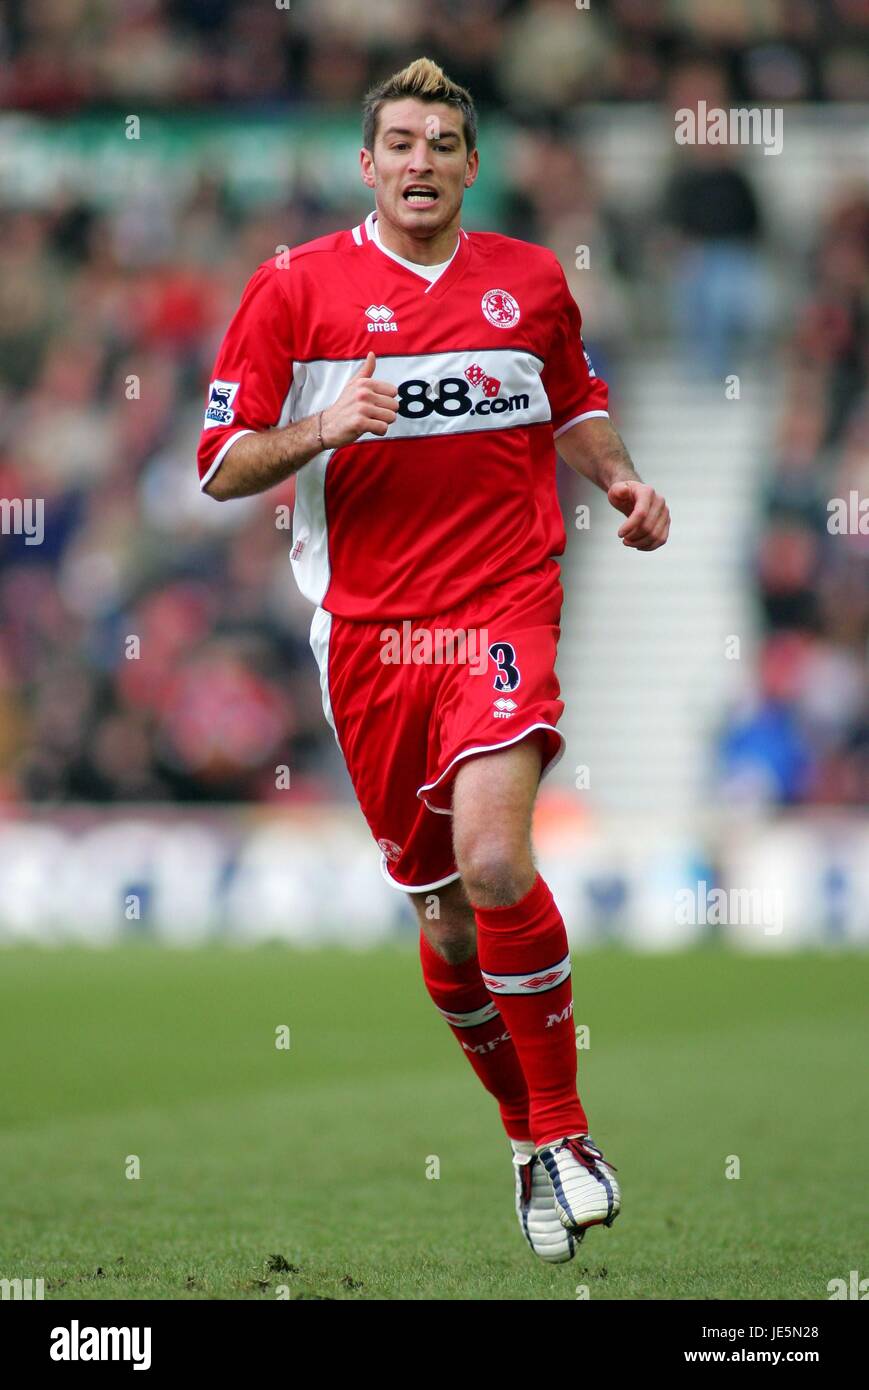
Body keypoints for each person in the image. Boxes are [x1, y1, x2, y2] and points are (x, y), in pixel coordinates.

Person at [197, 57, 670, 1264]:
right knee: (448, 920)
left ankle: (565, 1131)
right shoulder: (293, 288)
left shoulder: (529, 280)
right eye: (397, 143)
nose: (419, 162)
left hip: (501, 609)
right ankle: (522, 1141)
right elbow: (216, 462)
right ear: (367, 165)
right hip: (367, 637)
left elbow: (572, 404)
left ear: (471, 165)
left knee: (498, 852)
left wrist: (613, 475)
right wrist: (321, 426)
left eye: (441, 145)